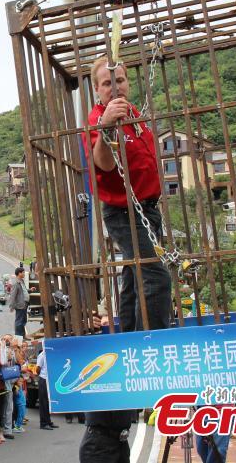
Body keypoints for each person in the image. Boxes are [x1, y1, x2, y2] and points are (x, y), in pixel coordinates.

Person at [83, 56, 170, 332]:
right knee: (156, 275)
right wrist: (107, 126)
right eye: (107, 83)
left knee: (134, 278)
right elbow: (104, 163)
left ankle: (129, 338)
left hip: (148, 209)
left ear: (128, 83)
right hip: (124, 212)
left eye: (119, 80)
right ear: (97, 89)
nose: (115, 87)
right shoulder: (97, 119)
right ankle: (153, 343)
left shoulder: (133, 113)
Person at [34, 346, 57, 430]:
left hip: (49, 380)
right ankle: (43, 423)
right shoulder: (42, 355)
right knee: (43, 402)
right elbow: (38, 368)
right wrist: (42, 375)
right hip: (43, 379)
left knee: (48, 402)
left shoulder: (50, 354)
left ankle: (48, 421)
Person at [7, 268, 30, 337]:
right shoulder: (16, 283)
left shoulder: (21, 281)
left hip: (24, 304)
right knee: (19, 322)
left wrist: (30, 290)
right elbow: (13, 295)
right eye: (23, 272)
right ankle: (18, 337)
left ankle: (22, 336)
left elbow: (23, 291)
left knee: (23, 321)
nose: (24, 274)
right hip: (20, 305)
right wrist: (11, 306)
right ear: (19, 273)